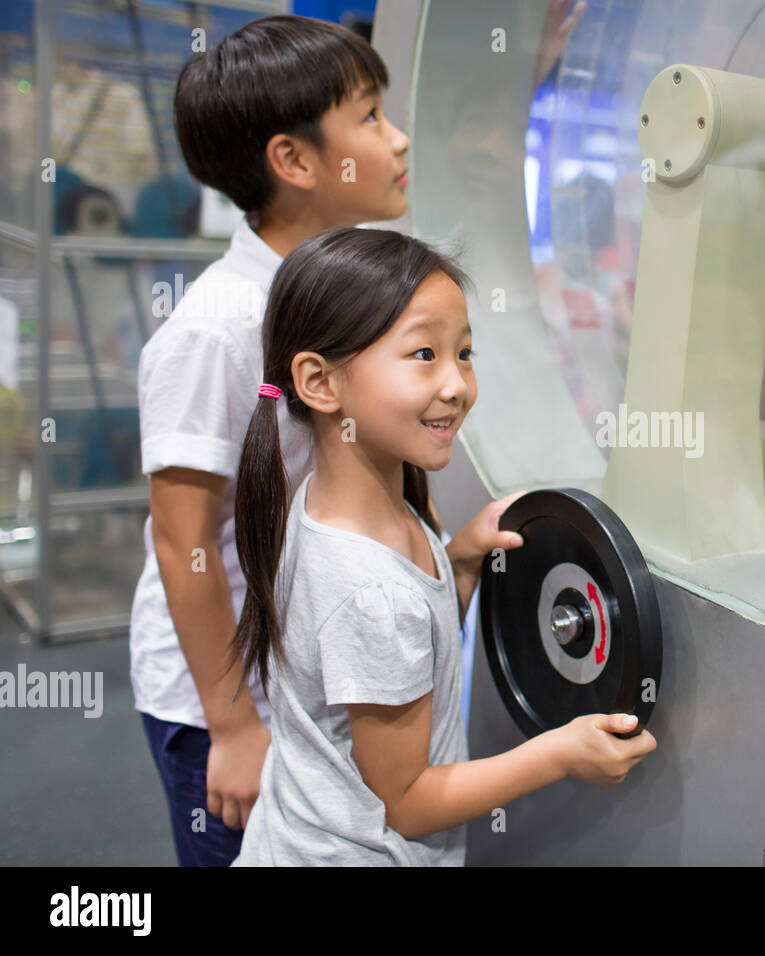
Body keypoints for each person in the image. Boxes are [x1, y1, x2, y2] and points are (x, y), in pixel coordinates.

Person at [228, 227, 656, 865]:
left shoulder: (337, 503)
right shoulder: (371, 589)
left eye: (465, 353)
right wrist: (560, 754)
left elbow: (407, 658)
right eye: (424, 354)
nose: (457, 384)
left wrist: (456, 563)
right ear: (320, 383)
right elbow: (407, 801)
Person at [131, 14, 417, 866]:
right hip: (218, 698)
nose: (397, 137)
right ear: (294, 162)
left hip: (298, 680)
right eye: (369, 117)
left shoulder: (342, 292)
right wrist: (232, 725)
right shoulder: (215, 330)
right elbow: (182, 540)